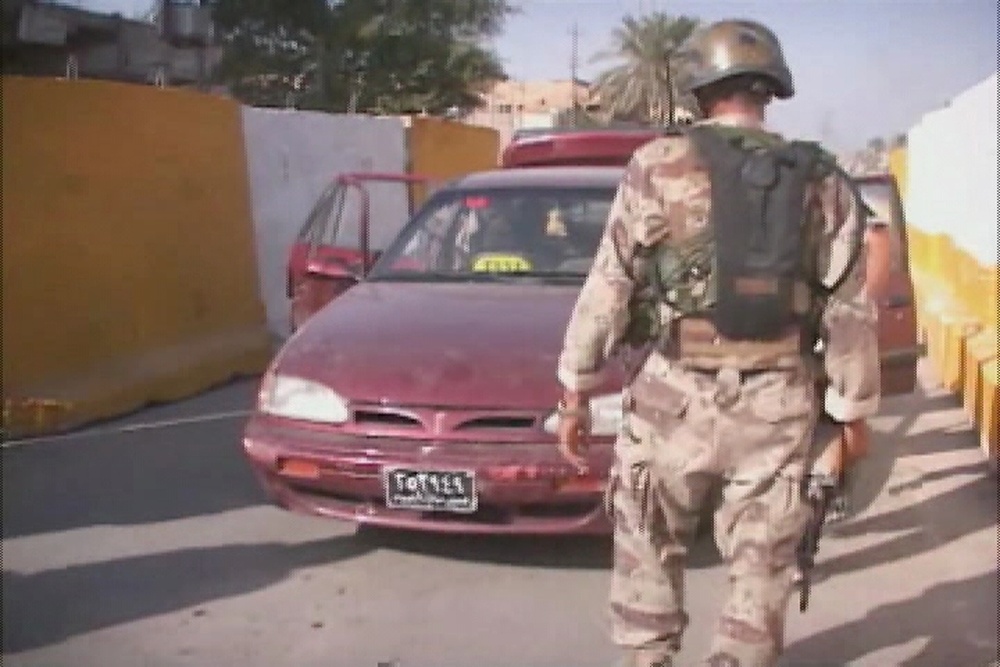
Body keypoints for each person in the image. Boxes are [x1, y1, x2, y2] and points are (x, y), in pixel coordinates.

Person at [552, 18, 881, 667]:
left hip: (674, 395)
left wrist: (575, 391)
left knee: (649, 550)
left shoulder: (657, 164)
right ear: (769, 91)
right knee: (759, 575)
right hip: (778, 402)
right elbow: (849, 309)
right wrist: (854, 413)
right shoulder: (820, 177)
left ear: (701, 92)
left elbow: (609, 286)